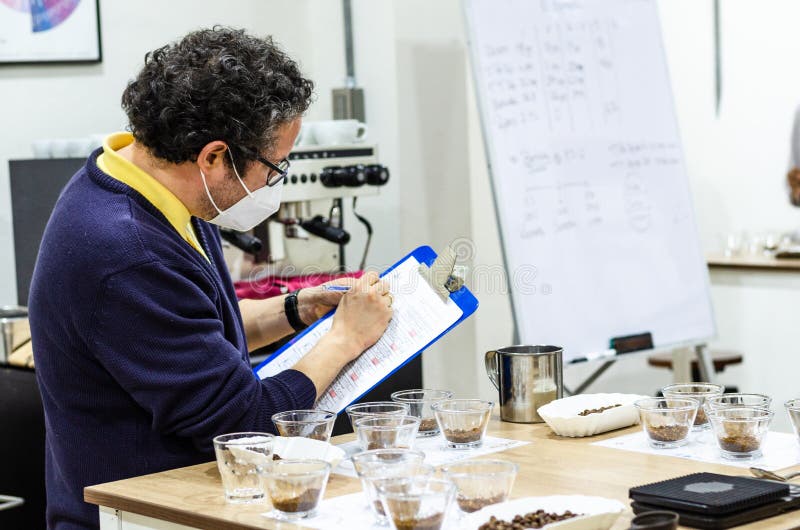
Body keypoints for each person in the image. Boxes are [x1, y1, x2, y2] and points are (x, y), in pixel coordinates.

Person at [28, 27, 393, 530]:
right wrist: (345, 338)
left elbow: (195, 327)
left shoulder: (140, 184)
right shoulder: (129, 253)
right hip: (135, 517)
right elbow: (243, 426)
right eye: (274, 165)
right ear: (214, 157)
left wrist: (296, 309)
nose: (273, 182)